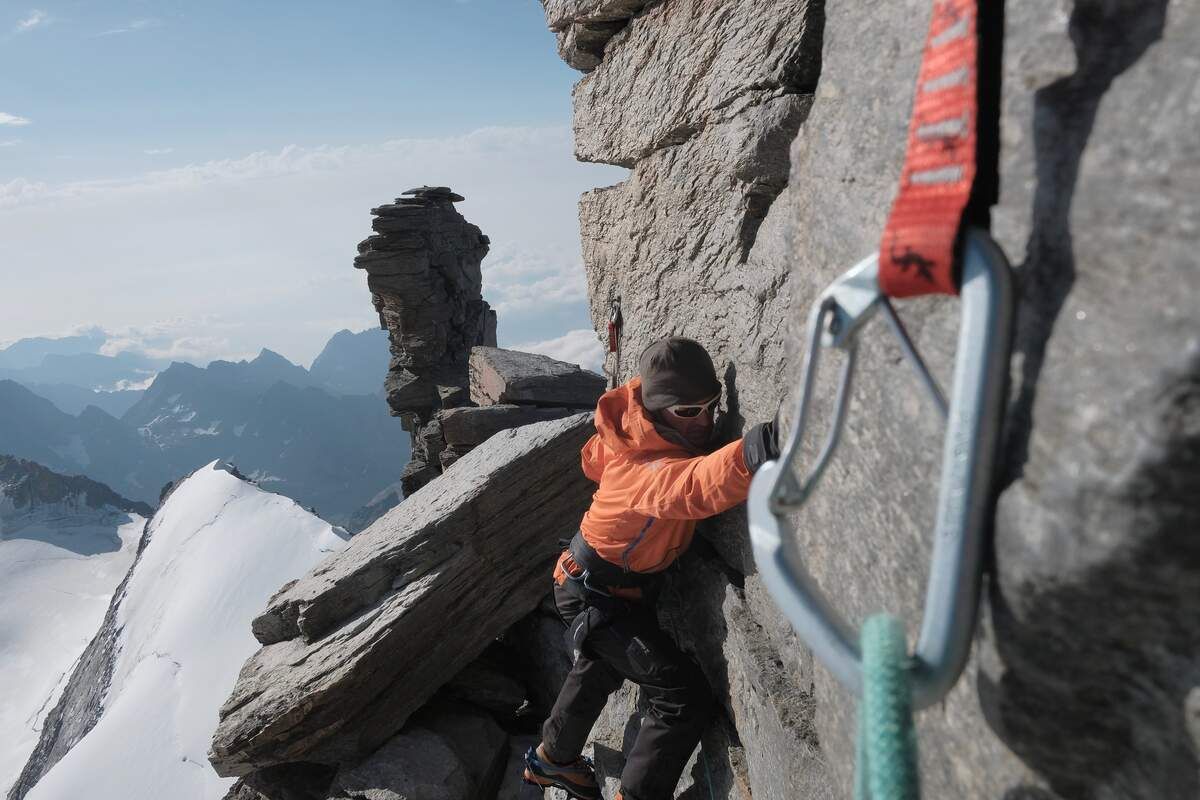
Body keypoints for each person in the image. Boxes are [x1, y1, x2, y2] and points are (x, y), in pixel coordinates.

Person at [523, 337, 779, 800]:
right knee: (681, 698)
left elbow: (608, 458)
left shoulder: (638, 422)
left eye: (710, 406)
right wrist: (754, 450)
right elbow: (690, 486)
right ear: (659, 409)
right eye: (686, 412)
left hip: (595, 584)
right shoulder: (644, 469)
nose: (702, 421)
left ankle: (551, 761)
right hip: (596, 593)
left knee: (600, 665)